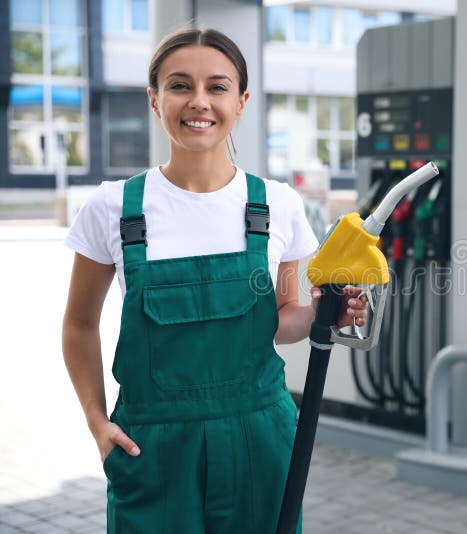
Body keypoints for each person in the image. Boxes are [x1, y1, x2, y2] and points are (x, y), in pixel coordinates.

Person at [61, 28, 367, 533]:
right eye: (179, 85)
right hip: (154, 443)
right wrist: (97, 421)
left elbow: (283, 320)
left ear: (242, 100)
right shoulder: (113, 208)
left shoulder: (275, 206)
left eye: (217, 87)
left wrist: (322, 313)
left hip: (258, 435)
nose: (198, 101)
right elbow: (77, 325)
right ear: (154, 99)